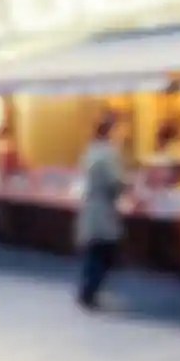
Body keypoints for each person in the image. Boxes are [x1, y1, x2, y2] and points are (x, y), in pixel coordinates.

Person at [77, 116, 127, 310]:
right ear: (111, 131)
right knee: (104, 252)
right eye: (120, 129)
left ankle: (87, 293)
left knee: (94, 251)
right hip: (103, 209)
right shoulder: (109, 153)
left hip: (91, 208)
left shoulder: (91, 150)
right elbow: (115, 181)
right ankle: (89, 293)